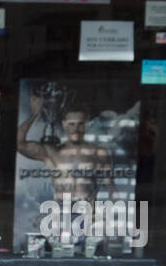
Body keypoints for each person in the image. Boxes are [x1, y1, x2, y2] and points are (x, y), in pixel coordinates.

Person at [16, 92, 114, 234]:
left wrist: (105, 218)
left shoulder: (99, 154)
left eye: (80, 124)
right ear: (64, 125)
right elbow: (19, 144)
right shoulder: (51, 152)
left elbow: (111, 188)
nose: (75, 129)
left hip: (88, 217)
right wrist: (35, 115)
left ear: (87, 124)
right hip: (60, 217)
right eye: (71, 124)